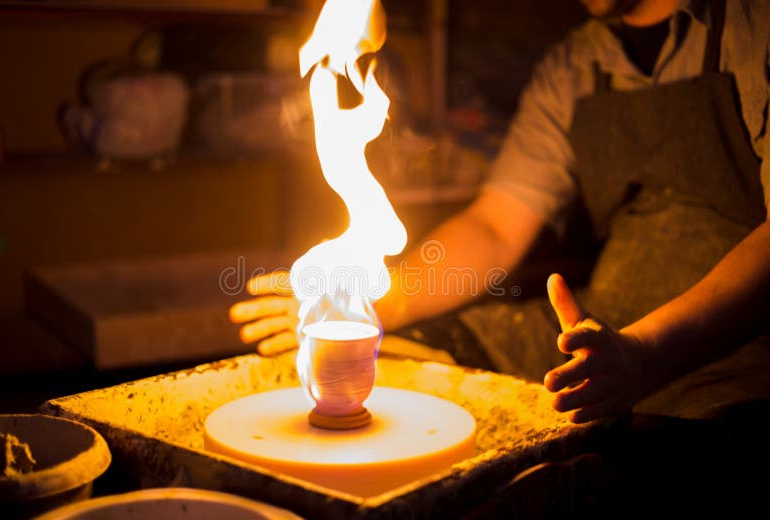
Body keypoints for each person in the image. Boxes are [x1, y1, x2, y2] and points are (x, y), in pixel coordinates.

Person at [230, 0, 770, 423]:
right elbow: (494, 227)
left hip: (733, 348)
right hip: (593, 330)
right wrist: (368, 303)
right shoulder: (574, 65)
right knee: (407, 357)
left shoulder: (754, 27)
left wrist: (644, 354)